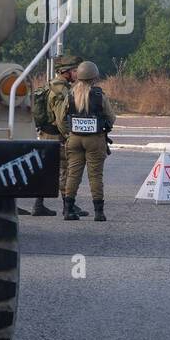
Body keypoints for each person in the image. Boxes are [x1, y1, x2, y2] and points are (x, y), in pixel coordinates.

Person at [54, 61, 115, 222]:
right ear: (94, 77)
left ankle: (68, 211)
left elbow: (61, 119)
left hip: (74, 139)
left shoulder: (70, 94)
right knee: (95, 176)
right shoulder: (98, 95)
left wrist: (68, 134)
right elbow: (111, 117)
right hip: (95, 140)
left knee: (73, 175)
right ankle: (99, 213)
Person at [29, 53, 81, 217]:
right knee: (65, 168)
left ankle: (38, 205)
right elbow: (61, 118)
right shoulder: (61, 90)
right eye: (75, 70)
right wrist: (69, 135)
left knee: (46, 169)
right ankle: (68, 207)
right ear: (67, 71)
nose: (78, 74)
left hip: (46, 134)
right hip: (56, 135)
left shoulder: (51, 84)